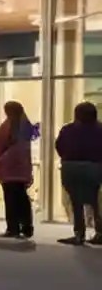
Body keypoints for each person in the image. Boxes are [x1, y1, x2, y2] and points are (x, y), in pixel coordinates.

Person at [55, 101, 102, 245]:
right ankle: (100, 233)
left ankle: (79, 234)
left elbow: (59, 146)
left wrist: (67, 158)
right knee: (96, 201)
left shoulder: (68, 129)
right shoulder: (100, 129)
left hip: (71, 166)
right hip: (94, 166)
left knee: (76, 202)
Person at [0, 100, 35, 239]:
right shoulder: (25, 127)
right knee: (22, 198)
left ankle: (13, 228)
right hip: (21, 168)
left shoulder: (8, 126)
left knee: (10, 199)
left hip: (8, 167)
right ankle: (26, 226)